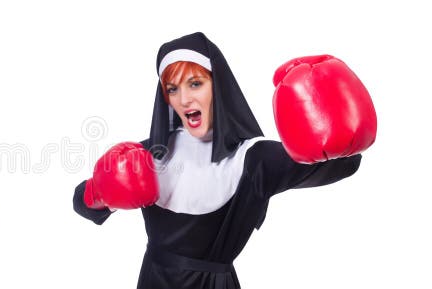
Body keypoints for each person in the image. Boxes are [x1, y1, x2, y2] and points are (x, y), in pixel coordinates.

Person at [72, 32, 376, 289]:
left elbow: (341, 163)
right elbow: (82, 203)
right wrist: (99, 193)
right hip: (152, 280)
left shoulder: (253, 159)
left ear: (218, 86)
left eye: (195, 84)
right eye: (173, 89)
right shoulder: (148, 155)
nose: (184, 99)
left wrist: (334, 125)